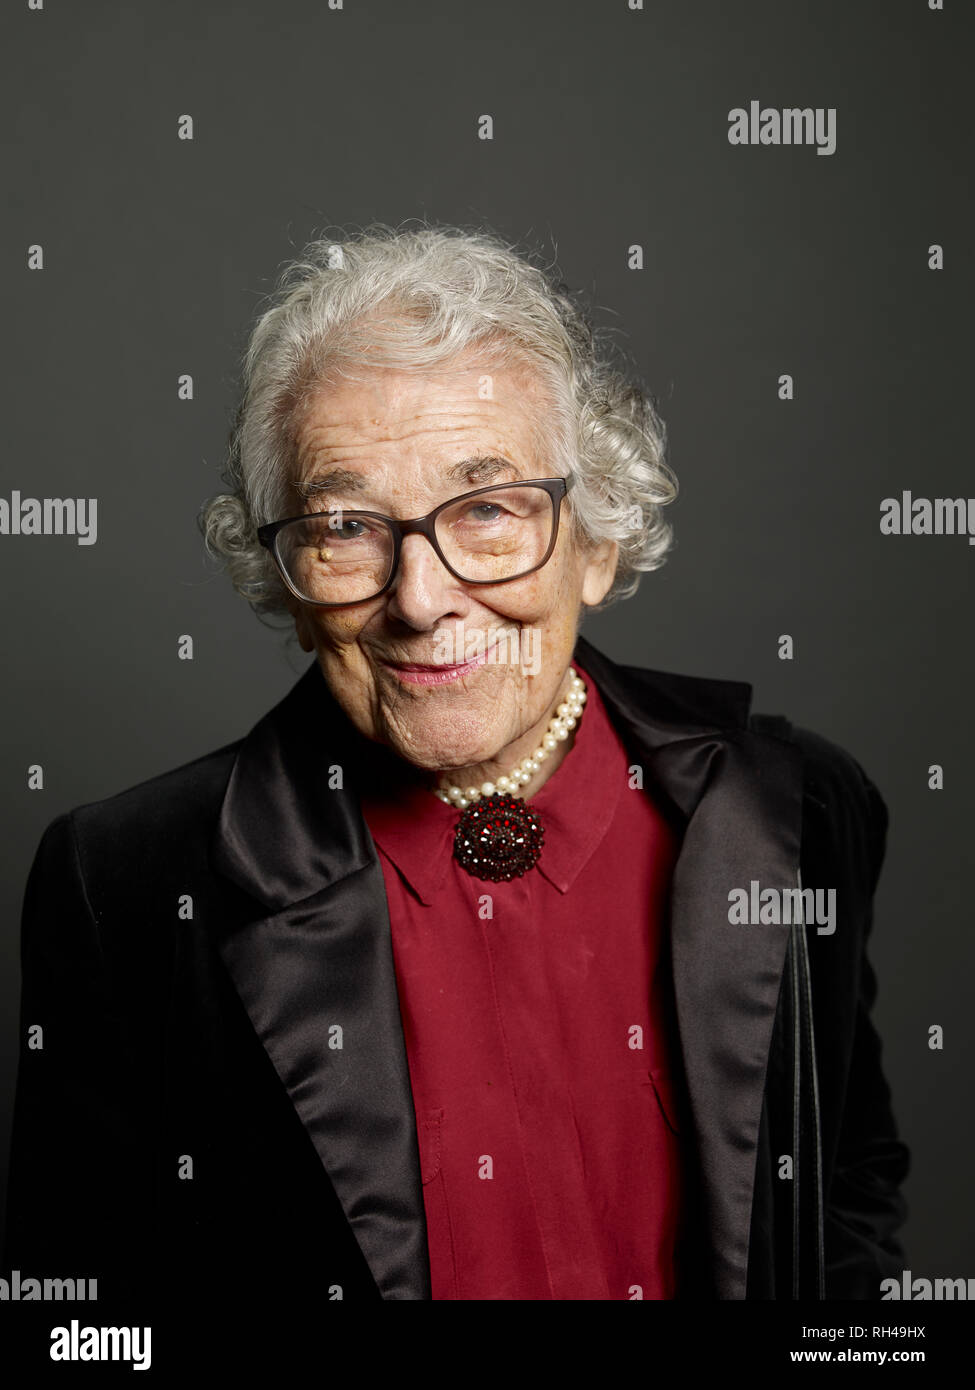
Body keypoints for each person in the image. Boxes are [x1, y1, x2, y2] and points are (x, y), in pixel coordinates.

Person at [4, 222, 909, 1303]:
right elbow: (75, 1323)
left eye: (486, 510)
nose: (422, 599)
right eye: (347, 525)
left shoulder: (796, 810)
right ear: (285, 579)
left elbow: (846, 1200)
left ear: (598, 541)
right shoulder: (130, 886)